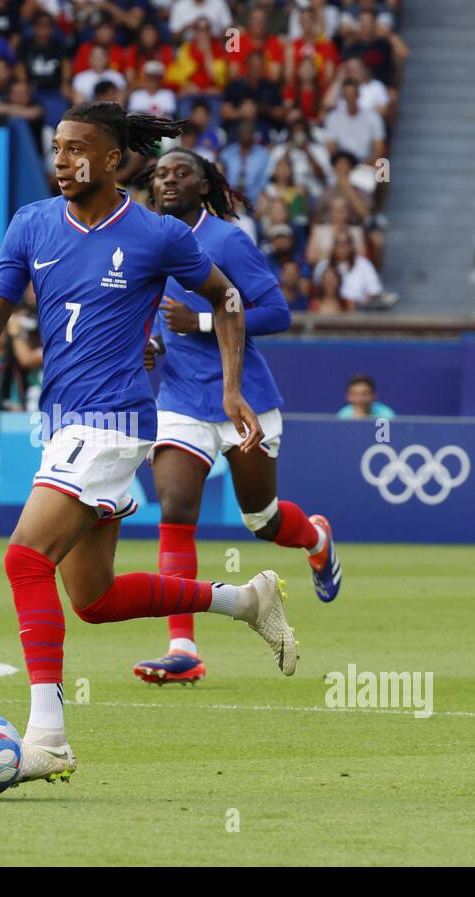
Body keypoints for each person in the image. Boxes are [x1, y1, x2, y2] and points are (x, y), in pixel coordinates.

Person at [0, 104, 294, 785]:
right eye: (57, 148)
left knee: (25, 560)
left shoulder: (155, 235)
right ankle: (244, 600)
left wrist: (233, 391)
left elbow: (229, 300)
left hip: (115, 422)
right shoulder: (31, 225)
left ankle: (47, 738)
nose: (61, 160)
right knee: (91, 597)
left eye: (77, 149)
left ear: (114, 161)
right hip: (63, 425)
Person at [131, 147, 342, 687]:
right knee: (176, 510)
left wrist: (202, 320)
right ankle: (182, 647)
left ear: (205, 186)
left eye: (182, 173)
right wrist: (151, 343)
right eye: (160, 174)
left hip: (243, 397)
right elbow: (154, 316)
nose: (169, 180)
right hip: (179, 399)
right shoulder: (148, 242)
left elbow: (278, 314)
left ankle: (315, 538)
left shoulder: (227, 240)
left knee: (262, 520)